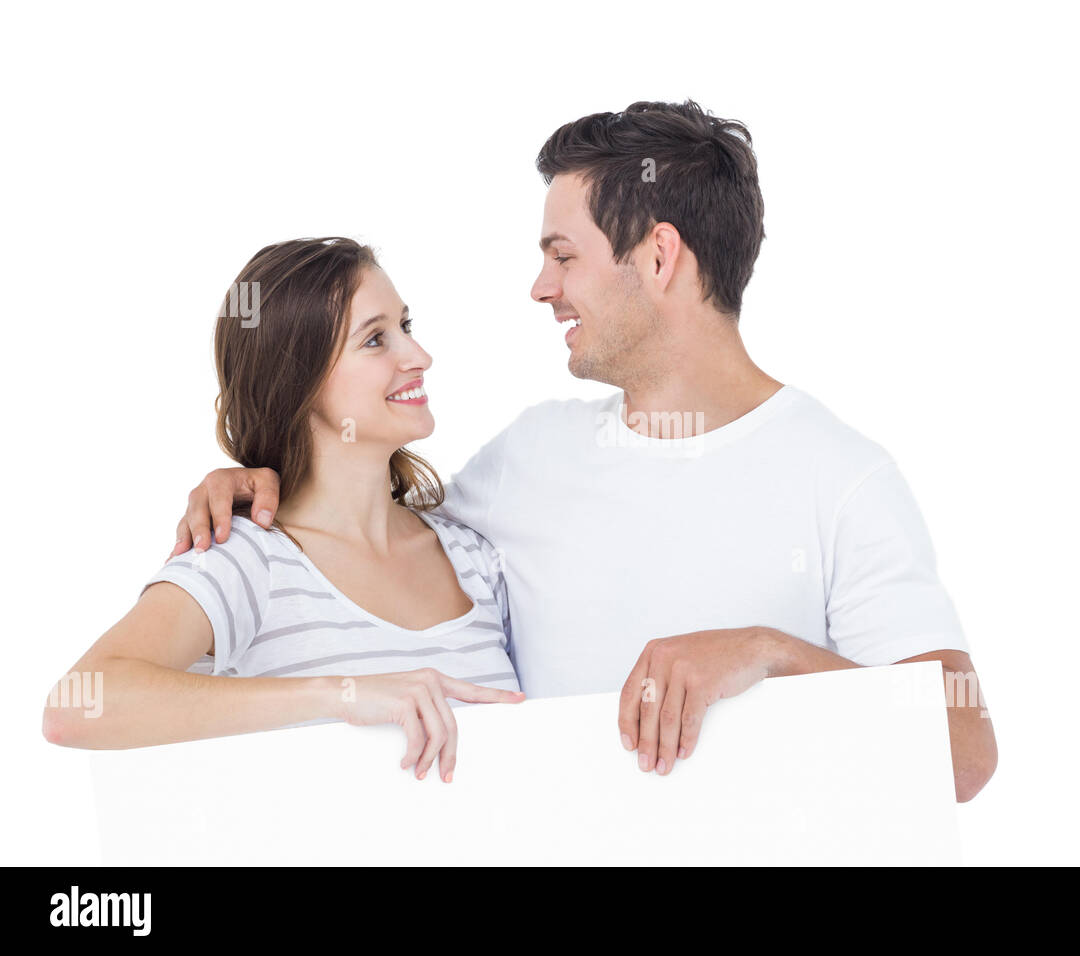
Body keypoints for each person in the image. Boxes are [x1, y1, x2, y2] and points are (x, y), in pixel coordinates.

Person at [172, 101, 998, 801]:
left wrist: (767, 653)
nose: (541, 287)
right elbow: (363, 527)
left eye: (563, 257)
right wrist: (255, 470)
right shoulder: (529, 457)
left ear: (659, 258)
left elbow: (963, 753)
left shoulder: (843, 479)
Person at [42, 238, 525, 784]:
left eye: (406, 327)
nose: (419, 357)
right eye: (375, 340)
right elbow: (77, 707)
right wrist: (340, 694)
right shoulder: (247, 557)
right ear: (300, 381)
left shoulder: (474, 554)